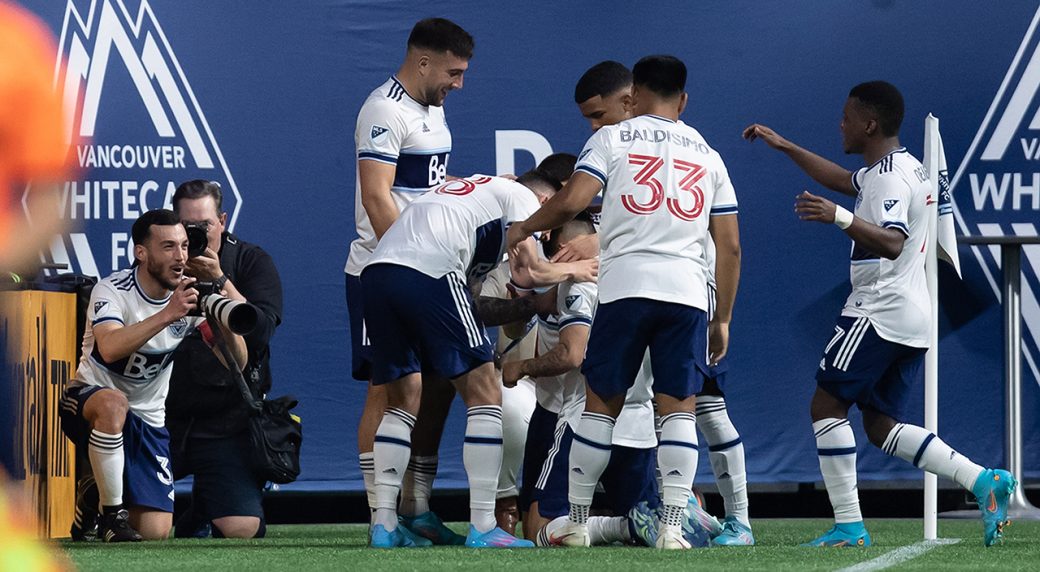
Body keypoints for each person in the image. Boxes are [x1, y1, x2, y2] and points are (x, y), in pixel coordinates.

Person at [743, 81, 1015, 548]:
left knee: (825, 406)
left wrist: (838, 218)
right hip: (912, 316)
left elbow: (892, 242)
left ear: (869, 123)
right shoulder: (899, 167)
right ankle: (982, 480)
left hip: (879, 310)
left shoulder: (887, 177)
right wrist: (786, 146)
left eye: (847, 117)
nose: (841, 124)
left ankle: (849, 526)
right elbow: (841, 179)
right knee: (880, 425)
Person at [507, 55, 742, 549]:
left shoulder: (611, 139)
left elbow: (573, 201)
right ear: (683, 99)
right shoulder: (709, 153)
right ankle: (674, 527)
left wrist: (526, 227)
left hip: (625, 289)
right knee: (678, 411)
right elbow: (730, 246)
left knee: (599, 408)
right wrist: (722, 318)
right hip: (686, 294)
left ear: (633, 96)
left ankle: (574, 522)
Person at [363, 171, 595, 548]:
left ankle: (385, 525)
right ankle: (484, 525)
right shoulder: (521, 198)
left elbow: (469, 307)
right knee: (486, 391)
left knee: (403, 400)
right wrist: (577, 269)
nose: (546, 235)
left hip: (377, 274)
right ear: (543, 204)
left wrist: (525, 302)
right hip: (429, 270)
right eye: (549, 225)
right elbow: (532, 270)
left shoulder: (471, 200)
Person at [345, 17, 473, 545]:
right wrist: (410, 263)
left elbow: (429, 194)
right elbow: (378, 197)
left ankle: (415, 507)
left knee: (434, 388)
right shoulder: (383, 110)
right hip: (384, 271)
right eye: (453, 71)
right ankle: (383, 520)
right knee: (390, 388)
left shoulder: (434, 111)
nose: (458, 84)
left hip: (427, 269)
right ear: (424, 61)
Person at [58, 209, 247, 542]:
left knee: (155, 532)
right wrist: (168, 313)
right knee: (115, 404)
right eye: (169, 247)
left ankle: (91, 498)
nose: (181, 257)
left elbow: (239, 361)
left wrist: (219, 302)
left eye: (185, 247)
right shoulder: (113, 290)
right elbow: (111, 348)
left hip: (148, 420)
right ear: (141, 253)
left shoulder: (190, 297)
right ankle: (112, 517)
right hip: (89, 402)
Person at [166, 180, 283, 539]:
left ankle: (208, 504)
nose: (196, 234)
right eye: (187, 228)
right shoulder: (162, 259)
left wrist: (218, 279)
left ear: (222, 220)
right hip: (166, 414)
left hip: (227, 419)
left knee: (242, 529)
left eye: (204, 226)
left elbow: (260, 333)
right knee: (146, 528)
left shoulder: (251, 260)